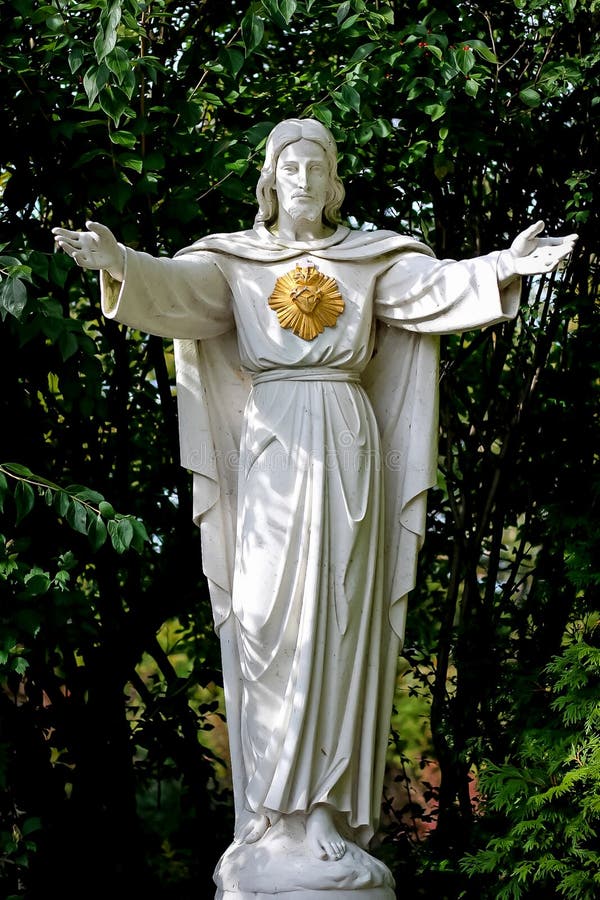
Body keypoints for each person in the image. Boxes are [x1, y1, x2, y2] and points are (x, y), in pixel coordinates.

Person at [53, 118, 576, 894]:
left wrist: (507, 263)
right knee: (267, 618)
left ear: (334, 185)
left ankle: (325, 812)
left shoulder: (368, 262)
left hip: (348, 445)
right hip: (272, 447)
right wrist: (117, 261)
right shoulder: (232, 261)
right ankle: (269, 818)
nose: (303, 179)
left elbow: (432, 291)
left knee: (337, 620)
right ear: (271, 180)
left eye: (317, 167)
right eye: (289, 166)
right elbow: (175, 290)